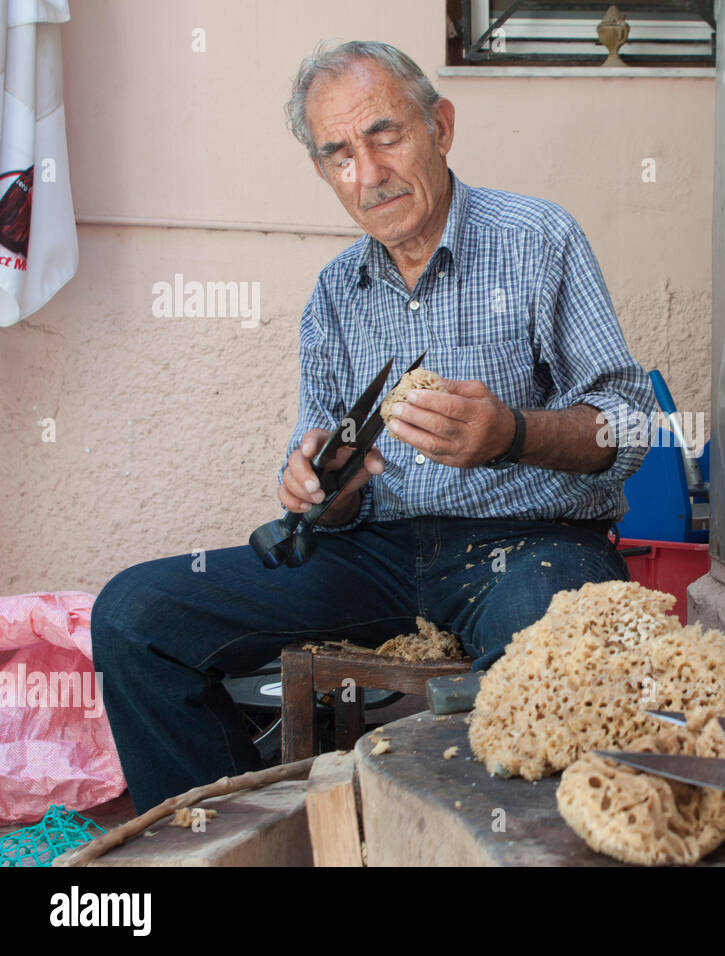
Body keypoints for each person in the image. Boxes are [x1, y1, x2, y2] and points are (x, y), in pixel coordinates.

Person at [92, 40, 654, 812]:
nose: (369, 172)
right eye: (339, 155)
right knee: (135, 616)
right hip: (378, 555)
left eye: (385, 135)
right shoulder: (335, 293)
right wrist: (323, 484)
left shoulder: (539, 239)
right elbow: (332, 495)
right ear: (324, 171)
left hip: (534, 544)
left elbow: (630, 427)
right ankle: (239, 848)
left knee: (551, 656)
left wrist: (510, 434)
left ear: (441, 126)